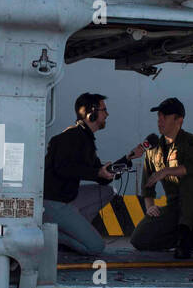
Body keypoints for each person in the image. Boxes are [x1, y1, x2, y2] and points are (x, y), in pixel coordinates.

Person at [43, 92, 143, 257]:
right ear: (91, 113)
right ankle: (54, 235)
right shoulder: (69, 137)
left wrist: (129, 158)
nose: (107, 114)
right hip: (54, 203)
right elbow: (63, 168)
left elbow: (100, 177)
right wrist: (97, 172)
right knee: (96, 247)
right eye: (104, 110)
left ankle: (74, 229)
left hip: (67, 198)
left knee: (107, 191)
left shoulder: (86, 138)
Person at [130, 97, 193, 259]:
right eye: (159, 117)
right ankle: (188, 237)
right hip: (175, 207)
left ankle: (185, 235)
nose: (160, 121)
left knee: (190, 179)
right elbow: (147, 184)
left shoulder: (191, 143)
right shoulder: (153, 148)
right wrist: (150, 206)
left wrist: (166, 171)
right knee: (139, 239)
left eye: (165, 117)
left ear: (179, 120)